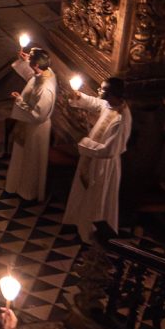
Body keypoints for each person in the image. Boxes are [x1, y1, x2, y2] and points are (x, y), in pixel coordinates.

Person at [61, 76, 131, 235]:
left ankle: (88, 233)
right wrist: (80, 97)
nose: (99, 90)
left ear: (112, 94)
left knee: (95, 198)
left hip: (103, 165)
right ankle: (76, 222)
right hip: (91, 156)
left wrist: (85, 143)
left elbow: (109, 150)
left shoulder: (121, 119)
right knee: (83, 192)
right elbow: (96, 103)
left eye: (103, 89)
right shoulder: (111, 105)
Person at [4, 47, 59, 201]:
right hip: (27, 124)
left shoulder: (46, 88)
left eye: (31, 60)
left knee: (31, 161)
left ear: (36, 65)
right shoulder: (45, 72)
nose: (28, 59)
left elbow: (38, 115)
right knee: (21, 156)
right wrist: (24, 61)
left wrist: (19, 101)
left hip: (36, 129)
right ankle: (15, 185)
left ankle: (27, 193)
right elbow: (33, 77)